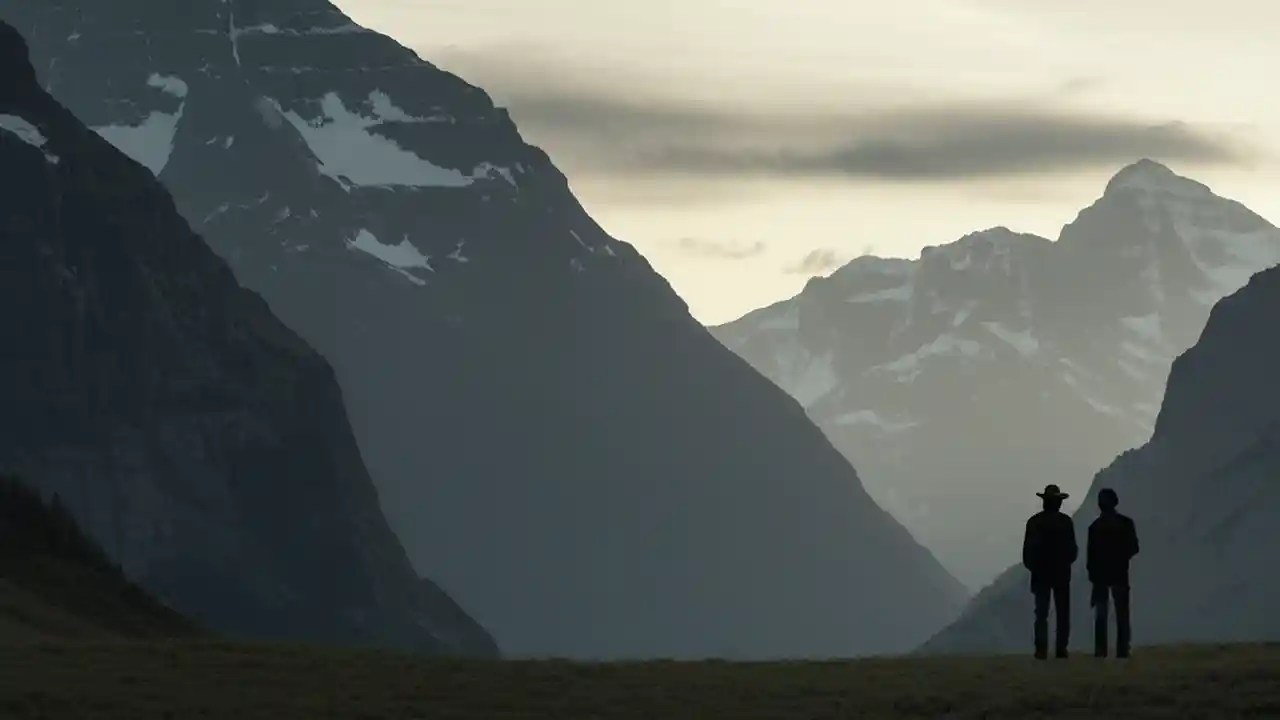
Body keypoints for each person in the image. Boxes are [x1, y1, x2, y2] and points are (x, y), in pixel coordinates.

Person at [1023, 484, 1077, 659]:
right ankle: (1061, 649)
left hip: (1041, 575)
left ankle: (1041, 650)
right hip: (1062, 574)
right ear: (1059, 503)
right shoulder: (1066, 523)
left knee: (1041, 613)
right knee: (1063, 612)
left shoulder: (1034, 522)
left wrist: (1036, 568)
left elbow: (1027, 554)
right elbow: (1072, 551)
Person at [1087, 488, 1139, 658]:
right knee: (1122, 614)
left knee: (1101, 615)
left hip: (1101, 576)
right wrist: (1121, 558)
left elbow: (1091, 557)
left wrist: (1093, 575)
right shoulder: (1126, 523)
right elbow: (1134, 548)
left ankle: (1101, 650)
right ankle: (1122, 649)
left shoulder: (1094, 527)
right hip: (1119, 573)